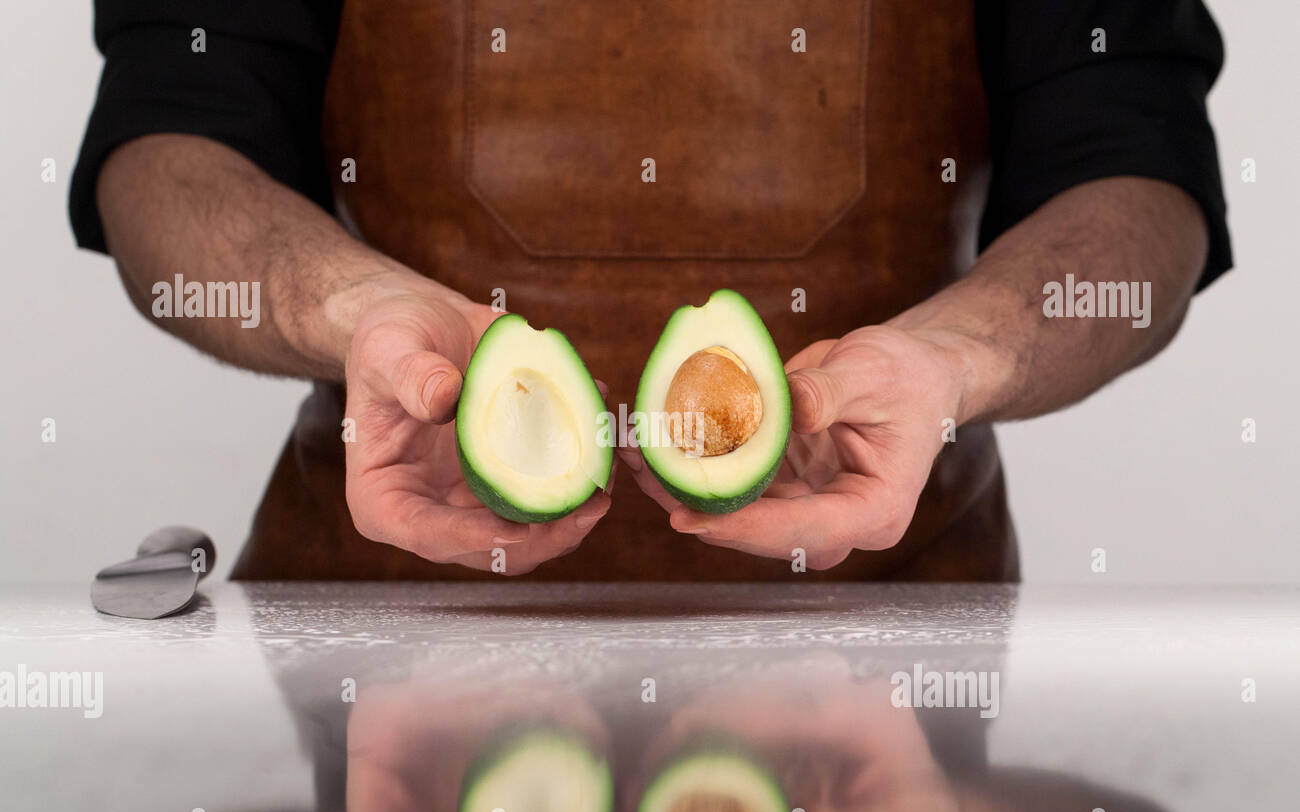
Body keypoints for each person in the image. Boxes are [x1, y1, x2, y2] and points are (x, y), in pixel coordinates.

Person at [71, 1, 1231, 581]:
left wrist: (952, 360)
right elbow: (170, 142)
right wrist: (353, 309)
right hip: (390, 652)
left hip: (878, 679)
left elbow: (1135, 173)